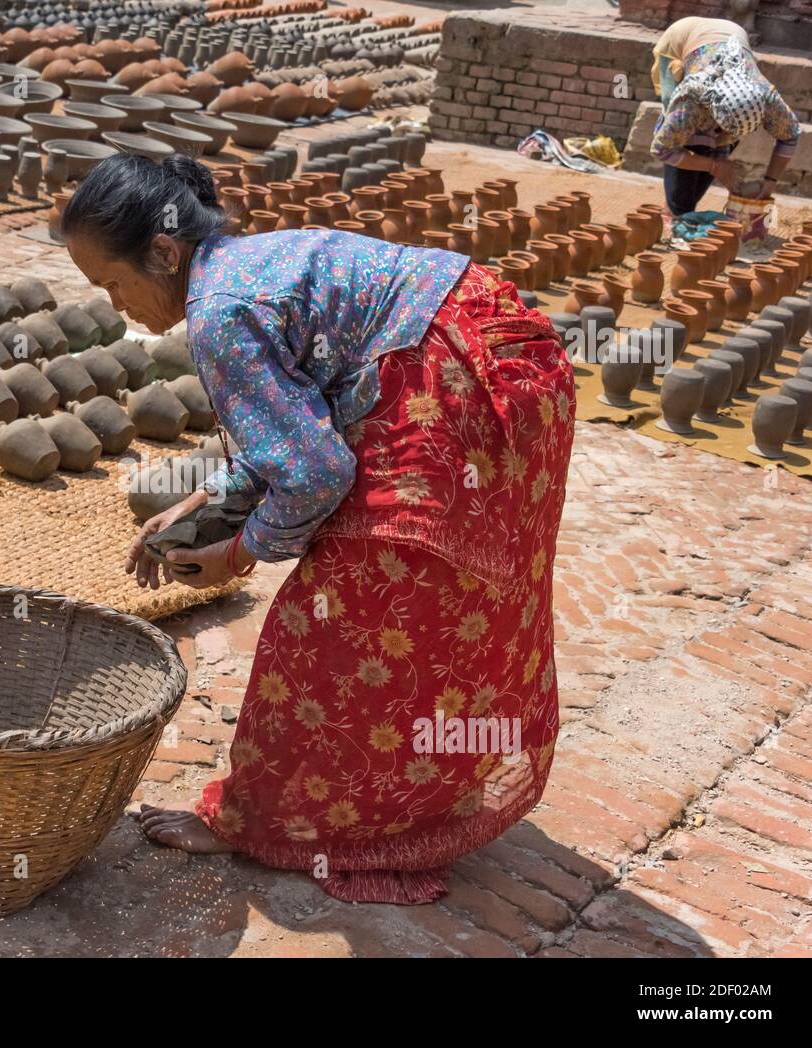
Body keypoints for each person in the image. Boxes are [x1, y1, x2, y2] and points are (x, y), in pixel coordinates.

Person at [62, 153, 575, 904]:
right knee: (451, 617)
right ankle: (425, 797)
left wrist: (239, 552)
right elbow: (308, 419)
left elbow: (315, 473)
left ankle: (279, 822)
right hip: (520, 370)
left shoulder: (219, 316)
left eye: (113, 283)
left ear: (163, 252)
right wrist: (208, 498)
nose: (117, 306)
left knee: (332, 629)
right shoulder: (243, 265)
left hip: (455, 399)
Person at [649, 15, 800, 216]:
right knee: (688, 138)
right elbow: (662, 149)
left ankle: (680, 209)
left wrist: (770, 182)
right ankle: (674, 209)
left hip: (732, 30)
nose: (725, 136)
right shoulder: (692, 97)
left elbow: (790, 135)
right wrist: (714, 166)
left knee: (717, 143)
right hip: (682, 36)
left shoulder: (764, 95)